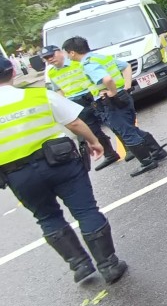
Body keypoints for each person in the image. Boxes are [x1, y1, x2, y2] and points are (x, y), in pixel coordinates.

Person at [0, 55, 128, 284]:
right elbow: (74, 122)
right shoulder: (38, 95)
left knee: (47, 217)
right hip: (60, 163)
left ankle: (80, 264)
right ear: (13, 72)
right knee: (86, 211)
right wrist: (94, 141)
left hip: (18, 174)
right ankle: (109, 265)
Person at [62, 36, 167, 177]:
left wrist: (112, 92)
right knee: (130, 128)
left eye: (66, 53)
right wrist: (126, 87)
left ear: (72, 52)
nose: (67, 57)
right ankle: (157, 151)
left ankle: (147, 161)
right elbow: (126, 66)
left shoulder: (88, 64)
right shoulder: (100, 57)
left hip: (112, 101)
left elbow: (107, 79)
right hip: (122, 97)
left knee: (126, 132)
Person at [40, 45, 120, 171]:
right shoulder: (51, 72)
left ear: (60, 52)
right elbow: (59, 90)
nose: (50, 59)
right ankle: (110, 154)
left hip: (92, 96)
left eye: (51, 55)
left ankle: (130, 148)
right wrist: (65, 106)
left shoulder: (77, 62)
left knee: (113, 122)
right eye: (46, 58)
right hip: (76, 103)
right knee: (93, 130)